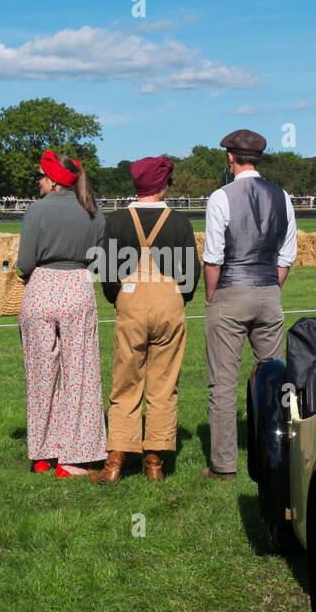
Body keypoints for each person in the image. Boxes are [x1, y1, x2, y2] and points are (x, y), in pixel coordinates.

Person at [91, 156, 199, 483]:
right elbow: (190, 277)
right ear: (163, 185)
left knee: (125, 382)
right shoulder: (180, 222)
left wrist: (119, 298)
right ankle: (154, 462)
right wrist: (175, 297)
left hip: (131, 304)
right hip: (169, 305)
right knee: (164, 384)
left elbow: (106, 273)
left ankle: (114, 463)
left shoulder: (117, 221)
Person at [200, 129, 297, 482]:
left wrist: (213, 297)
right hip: (270, 292)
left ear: (230, 157)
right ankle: (280, 457)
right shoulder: (283, 197)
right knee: (274, 383)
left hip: (229, 291)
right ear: (258, 157)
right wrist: (270, 287)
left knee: (223, 384)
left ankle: (224, 465)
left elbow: (213, 258)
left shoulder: (220, 197)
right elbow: (287, 255)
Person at [17, 149, 108, 478]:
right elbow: (99, 263)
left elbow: (24, 263)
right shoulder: (94, 212)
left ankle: (42, 454)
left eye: (41, 176)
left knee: (42, 377)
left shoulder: (36, 211)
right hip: (78, 288)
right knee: (79, 376)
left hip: (40, 289)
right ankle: (72, 458)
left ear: (54, 180)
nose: (38, 182)